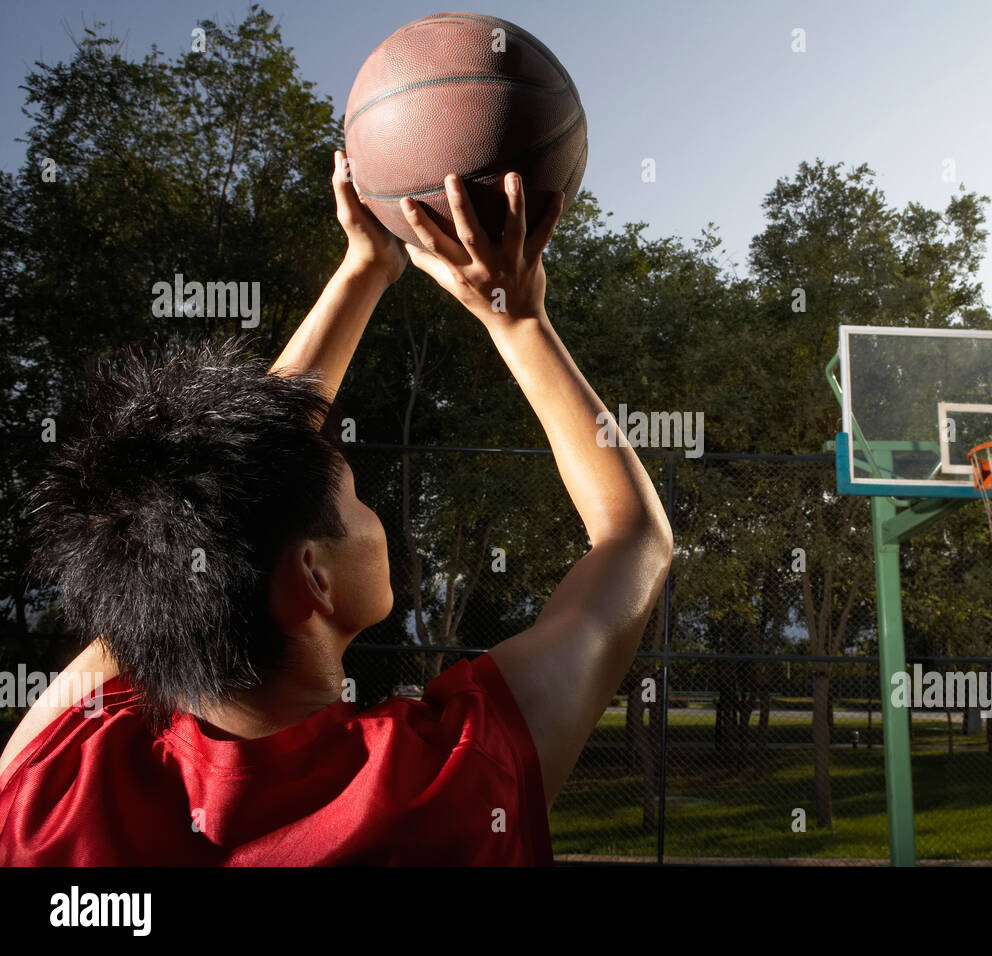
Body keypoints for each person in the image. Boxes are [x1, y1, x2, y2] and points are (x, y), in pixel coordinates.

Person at [0, 153, 673, 865]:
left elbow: (223, 489)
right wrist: (518, 320)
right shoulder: (454, 781)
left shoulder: (51, 781)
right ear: (312, 578)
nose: (373, 514)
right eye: (354, 498)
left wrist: (364, 269)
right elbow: (636, 541)